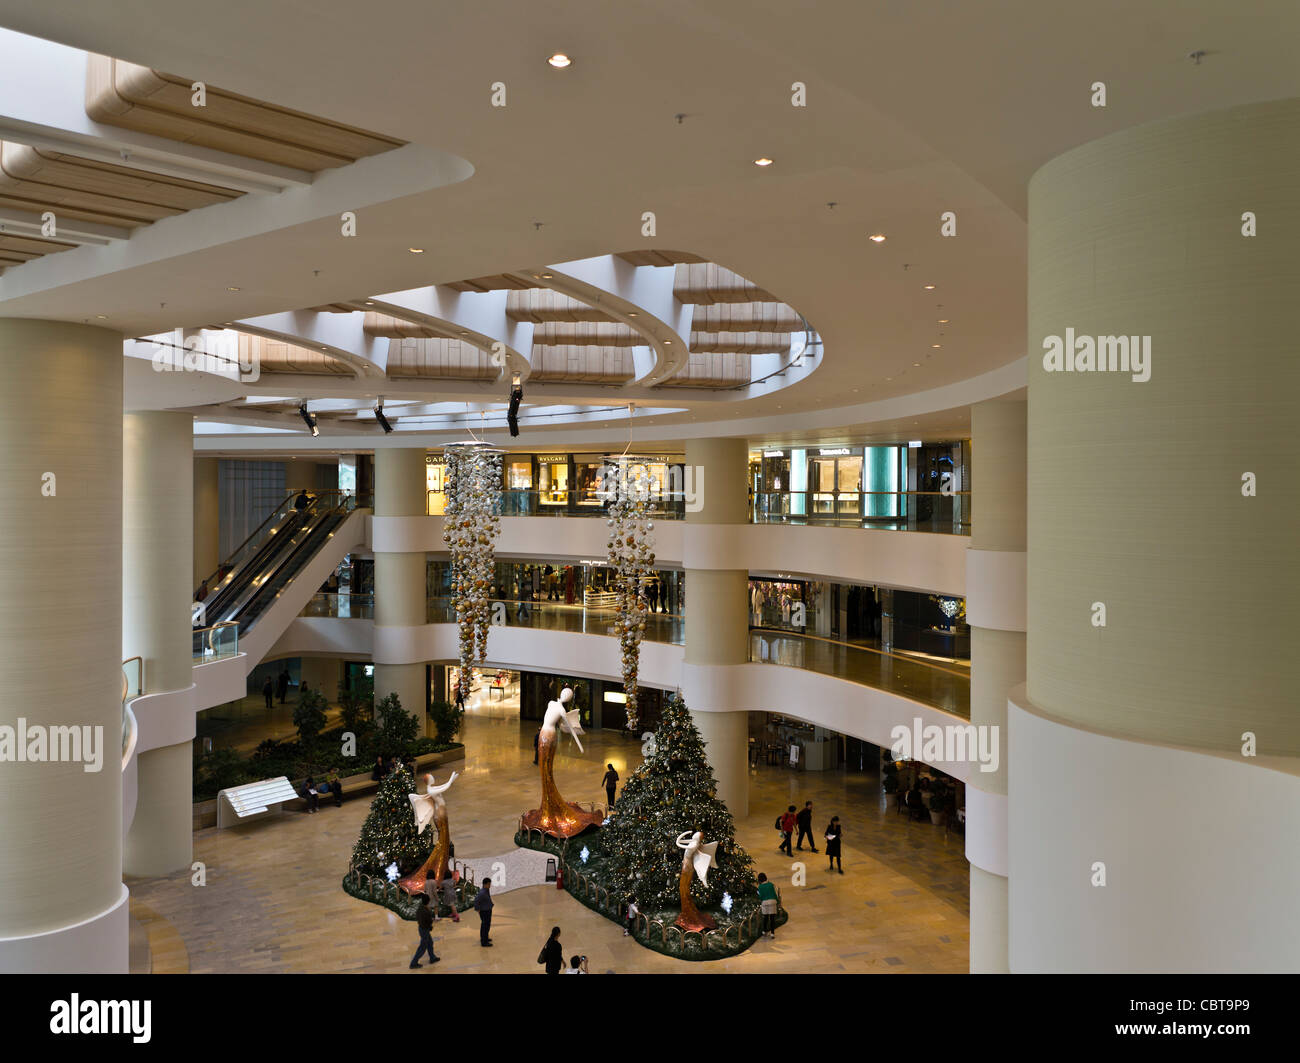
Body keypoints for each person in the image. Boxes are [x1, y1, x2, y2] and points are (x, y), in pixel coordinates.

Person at [409, 893, 440, 968]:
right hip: (425, 930)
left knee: (430, 943)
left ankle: (432, 958)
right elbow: (428, 921)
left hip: (421, 928)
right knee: (422, 947)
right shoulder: (426, 911)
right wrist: (430, 924)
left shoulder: (420, 908)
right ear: (428, 901)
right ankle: (413, 963)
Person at [757, 873, 780, 939]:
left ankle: (764, 931)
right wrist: (777, 901)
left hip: (765, 903)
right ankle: (772, 933)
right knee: (772, 919)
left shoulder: (760, 887)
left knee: (766, 918)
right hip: (772, 902)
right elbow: (774, 893)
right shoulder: (771, 885)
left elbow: (761, 896)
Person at [474, 877, 494, 946]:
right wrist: (478, 909)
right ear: (485, 884)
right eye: (489, 884)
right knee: (485, 926)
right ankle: (484, 942)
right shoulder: (482, 893)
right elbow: (476, 901)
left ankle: (485, 938)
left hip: (487, 910)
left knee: (487, 925)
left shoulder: (486, 890)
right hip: (484, 911)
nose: (490, 886)